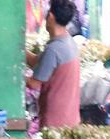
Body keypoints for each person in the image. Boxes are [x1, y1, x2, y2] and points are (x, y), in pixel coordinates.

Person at [25, 0, 81, 129]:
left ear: (50, 16)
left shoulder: (54, 49)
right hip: (70, 118)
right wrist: (19, 49)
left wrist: (15, 75)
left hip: (56, 120)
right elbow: (37, 62)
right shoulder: (68, 42)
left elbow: (34, 83)